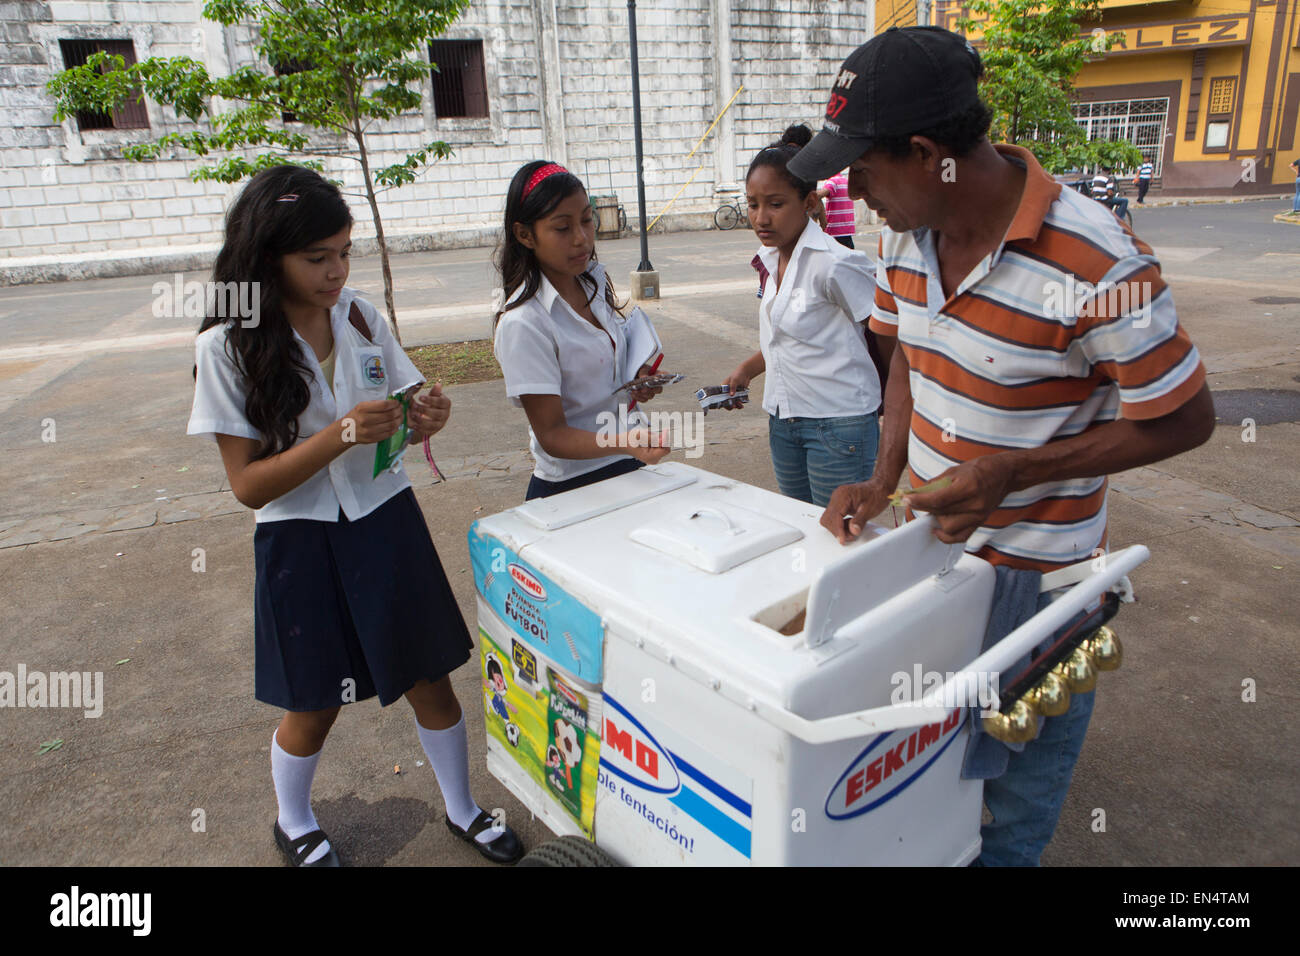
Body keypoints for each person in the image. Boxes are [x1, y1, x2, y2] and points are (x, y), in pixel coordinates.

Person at [791, 25, 1215, 866]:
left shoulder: (1096, 259)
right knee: (927, 768)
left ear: (923, 154)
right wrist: (882, 478)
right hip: (926, 564)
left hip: (1039, 588)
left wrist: (1015, 472)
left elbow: (1186, 415)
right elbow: (909, 356)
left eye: (862, 171)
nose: (853, 192)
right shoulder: (900, 241)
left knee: (1012, 804)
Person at [187, 165, 524, 866]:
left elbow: (401, 414)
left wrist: (427, 417)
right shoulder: (228, 346)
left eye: (345, 252)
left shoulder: (362, 316)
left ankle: (463, 808)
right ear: (265, 254)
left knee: (429, 673)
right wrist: (339, 433)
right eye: (318, 258)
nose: (337, 270)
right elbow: (248, 486)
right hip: (299, 539)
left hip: (385, 519)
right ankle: (294, 818)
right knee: (315, 698)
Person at [721, 141, 888, 508]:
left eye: (775, 204)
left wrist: (891, 404)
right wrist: (748, 369)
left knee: (840, 539)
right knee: (802, 530)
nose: (761, 218)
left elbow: (885, 332)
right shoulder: (769, 259)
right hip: (784, 421)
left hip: (839, 425)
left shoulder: (835, 264)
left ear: (810, 203)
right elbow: (786, 338)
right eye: (753, 204)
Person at [493, 161, 669, 500]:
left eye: (587, 220)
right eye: (562, 228)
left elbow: (602, 370)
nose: (581, 238)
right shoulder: (524, 323)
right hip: (573, 487)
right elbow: (552, 435)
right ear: (524, 235)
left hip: (628, 464)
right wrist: (625, 443)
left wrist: (636, 378)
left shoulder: (591, 283)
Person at [817, 169, 857, 248]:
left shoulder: (832, 182)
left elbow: (819, 195)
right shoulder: (845, 181)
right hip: (847, 230)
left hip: (835, 231)